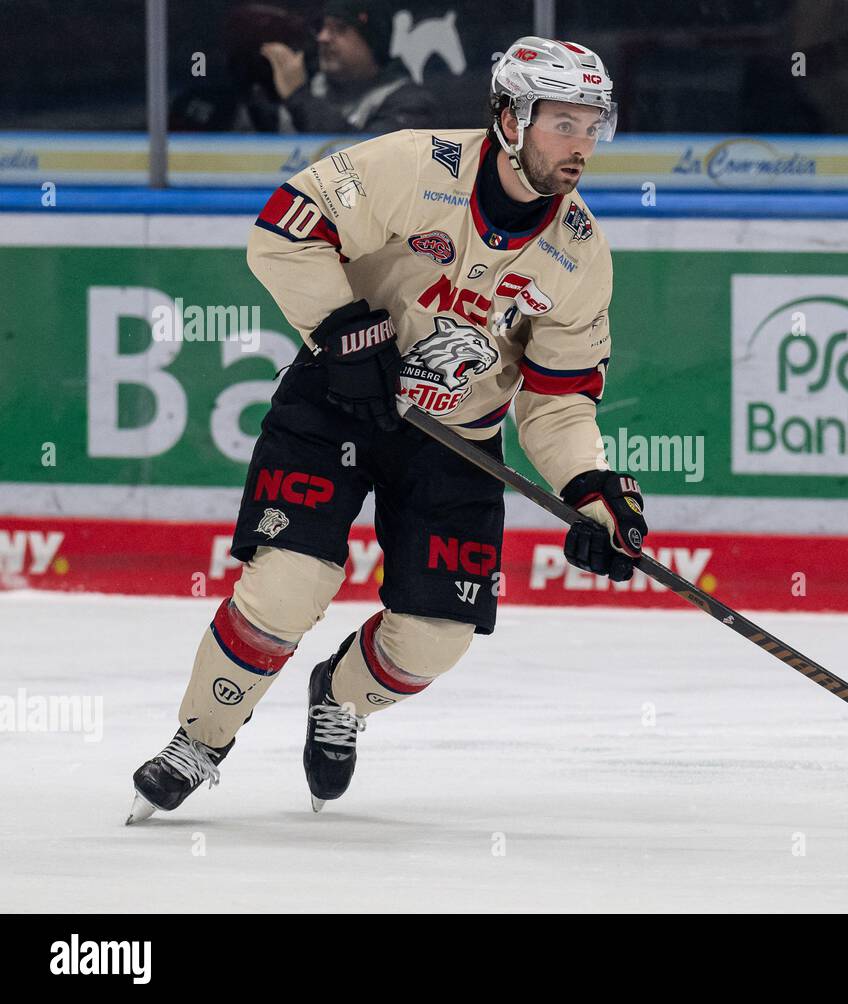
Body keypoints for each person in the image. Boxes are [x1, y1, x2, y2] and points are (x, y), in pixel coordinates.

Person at [127, 36, 645, 821]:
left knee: (437, 632)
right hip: (339, 400)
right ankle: (201, 739)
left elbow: (561, 398)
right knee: (288, 585)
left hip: (458, 438)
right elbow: (282, 229)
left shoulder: (580, 257)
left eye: (591, 125)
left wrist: (592, 491)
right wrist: (340, 329)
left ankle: (338, 697)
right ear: (509, 116)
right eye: (561, 123)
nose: (580, 146)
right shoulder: (418, 165)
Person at [261, 0, 438, 133]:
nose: (322, 38)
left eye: (339, 29)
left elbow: (363, 163)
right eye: (322, 28)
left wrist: (299, 97)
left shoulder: (411, 104)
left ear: (372, 42)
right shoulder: (310, 83)